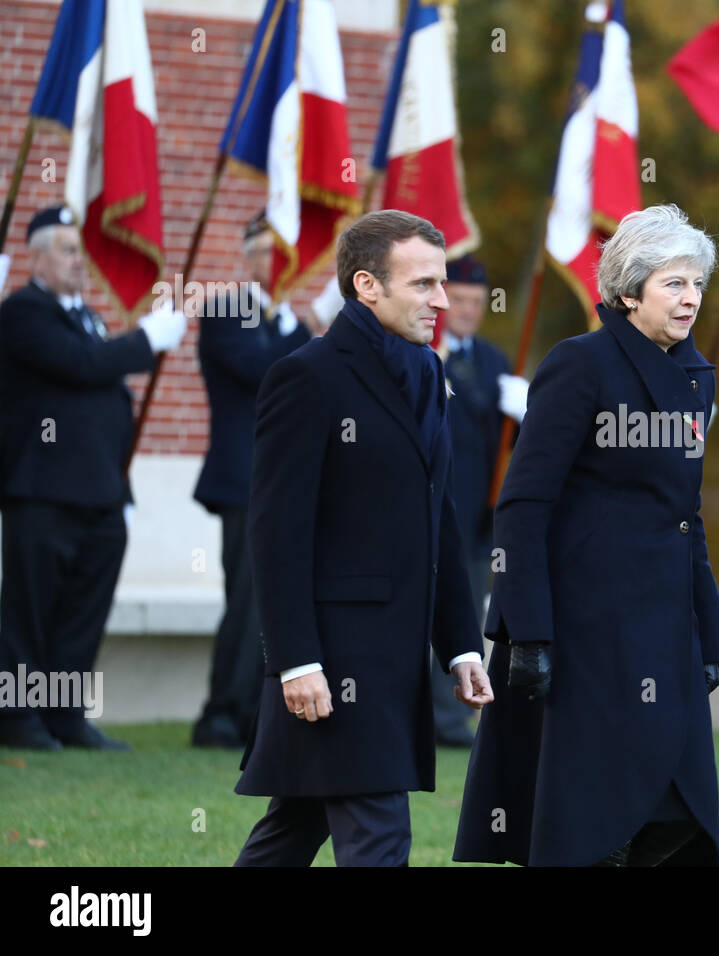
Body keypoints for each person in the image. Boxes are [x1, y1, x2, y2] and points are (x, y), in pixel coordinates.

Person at [454, 204, 719, 867]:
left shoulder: (697, 376)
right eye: (674, 282)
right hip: (585, 631)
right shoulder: (579, 365)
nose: (691, 296)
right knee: (594, 818)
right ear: (630, 290)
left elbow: (685, 514)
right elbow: (523, 504)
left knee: (680, 815)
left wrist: (709, 632)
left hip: (667, 628)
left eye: (697, 282)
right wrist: (527, 631)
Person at [232, 210, 493, 866]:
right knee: (378, 836)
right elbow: (275, 529)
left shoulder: (429, 374)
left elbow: (442, 518)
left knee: (291, 831)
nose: (443, 300)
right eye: (424, 284)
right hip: (332, 660)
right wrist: (296, 660)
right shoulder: (307, 377)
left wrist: (461, 646)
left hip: (394, 661)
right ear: (367, 286)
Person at [0, 206, 185, 750]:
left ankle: (64, 714)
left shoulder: (88, 318)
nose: (79, 260)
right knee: (30, 610)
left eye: (80, 250)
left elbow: (104, 383)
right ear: (35, 257)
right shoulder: (23, 312)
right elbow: (81, 366)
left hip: (100, 492)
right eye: (65, 249)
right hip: (42, 490)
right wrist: (145, 339)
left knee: (83, 612)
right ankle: (16, 716)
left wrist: (121, 490)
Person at [190, 212, 323, 749]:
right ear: (247, 257)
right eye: (268, 250)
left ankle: (259, 712)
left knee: (280, 599)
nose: (279, 261)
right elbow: (262, 373)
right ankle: (223, 714)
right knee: (248, 600)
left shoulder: (291, 320)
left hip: (291, 482)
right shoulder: (229, 308)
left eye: (286, 250)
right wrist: (302, 331)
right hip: (245, 479)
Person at [430, 255, 527, 748]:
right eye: (459, 301)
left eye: (476, 302)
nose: (466, 311)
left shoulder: (493, 361)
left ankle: (450, 716)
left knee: (464, 606)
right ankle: (427, 715)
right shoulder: (426, 351)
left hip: (477, 513)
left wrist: (528, 413)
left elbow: (514, 444)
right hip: (430, 504)